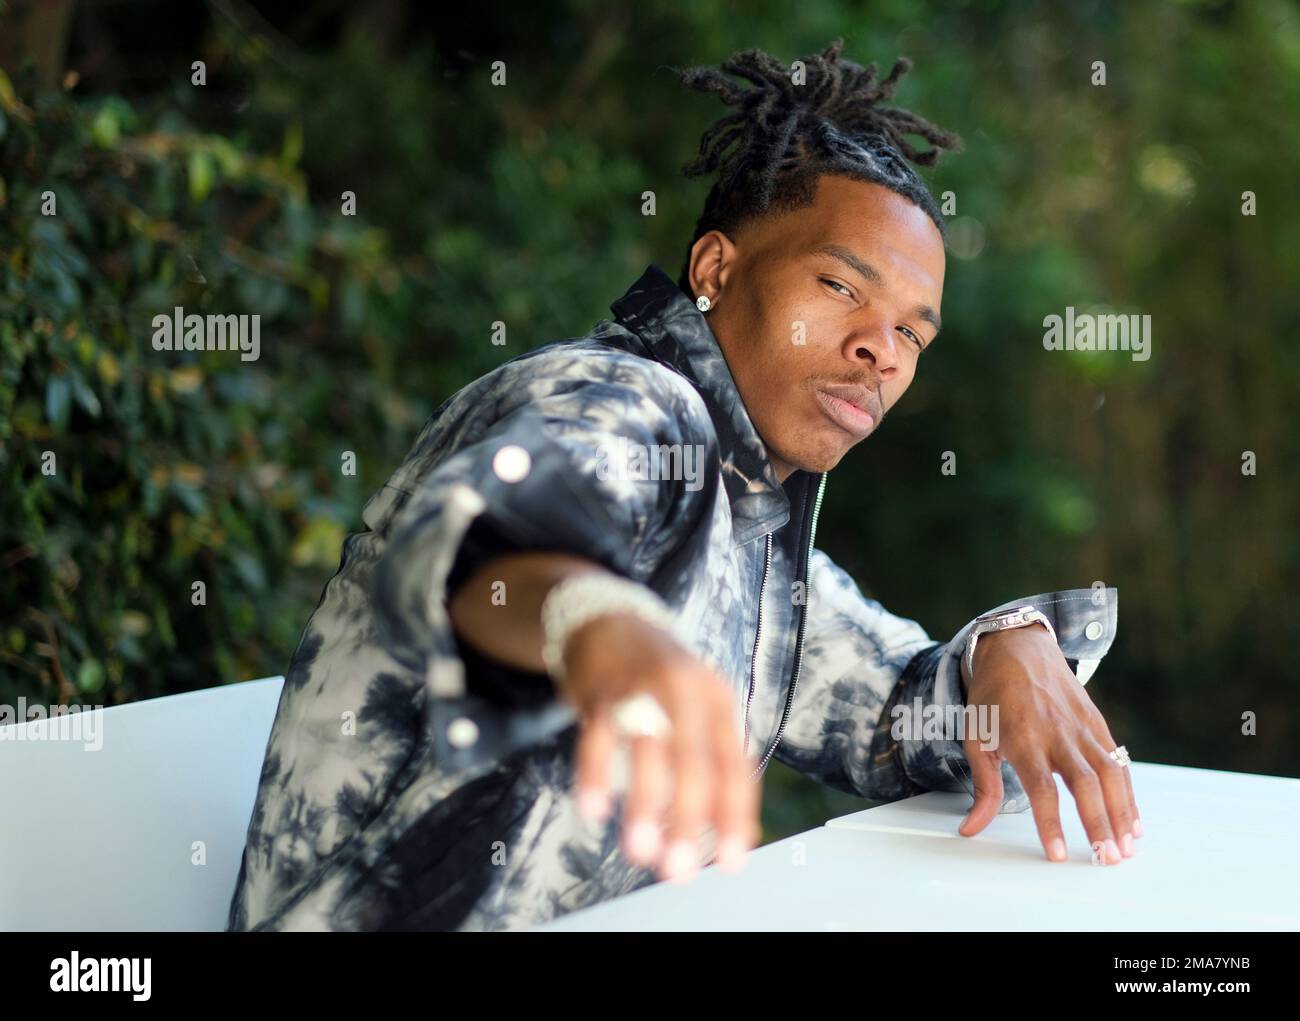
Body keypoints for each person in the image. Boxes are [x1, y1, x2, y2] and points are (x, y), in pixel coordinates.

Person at [227, 38, 1137, 933]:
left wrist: (1007, 649)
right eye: (837, 285)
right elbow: (476, 544)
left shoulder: (751, 522)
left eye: (912, 334)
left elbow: (894, 720)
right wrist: (593, 622)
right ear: (716, 269)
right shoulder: (625, 401)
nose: (878, 351)